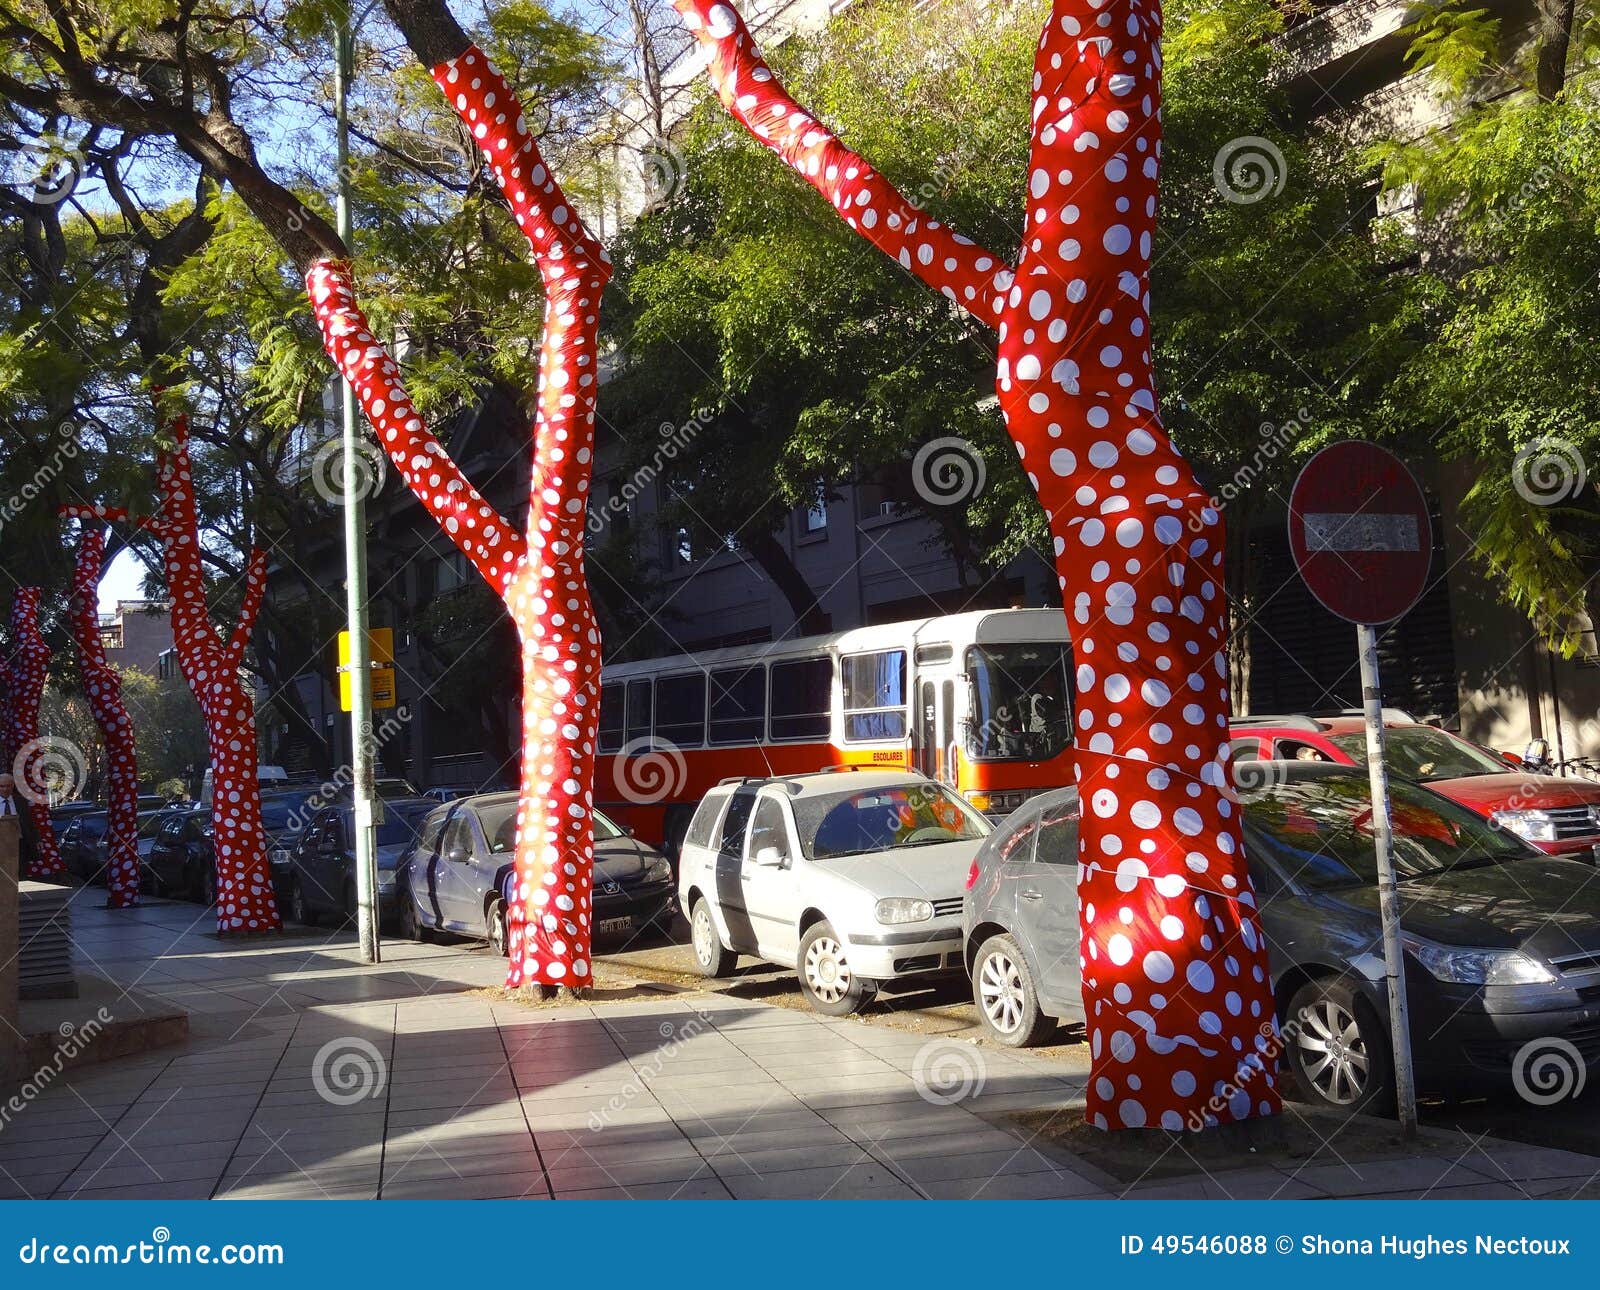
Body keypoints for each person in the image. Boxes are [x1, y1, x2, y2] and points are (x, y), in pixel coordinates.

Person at [0, 772, 39, 874]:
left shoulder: (20, 801)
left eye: (8, 786)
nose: (5, 789)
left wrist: (37, 839)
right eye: (2, 786)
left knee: (20, 872)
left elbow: (29, 822)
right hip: (1, 843)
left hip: (19, 844)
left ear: (12, 785)